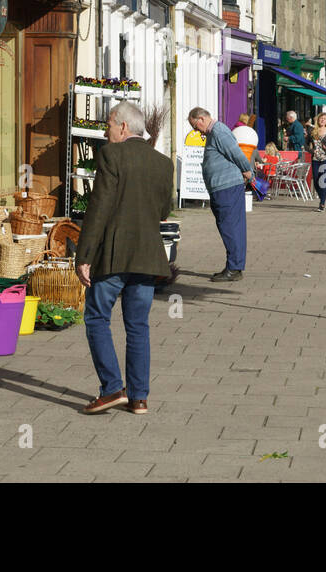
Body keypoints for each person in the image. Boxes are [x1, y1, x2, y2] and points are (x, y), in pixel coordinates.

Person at [73, 101, 173, 415]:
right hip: (148, 256)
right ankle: (139, 396)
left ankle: (112, 388)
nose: (106, 132)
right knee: (138, 325)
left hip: (114, 256)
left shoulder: (111, 155)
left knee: (97, 317)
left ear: (123, 127)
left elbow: (99, 207)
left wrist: (83, 255)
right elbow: (164, 211)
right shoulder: (163, 163)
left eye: (108, 126)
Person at [189, 107, 254, 281]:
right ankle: (235, 266)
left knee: (230, 227)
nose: (195, 130)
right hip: (224, 187)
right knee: (231, 227)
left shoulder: (218, 131)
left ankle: (234, 268)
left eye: (195, 126)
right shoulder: (214, 132)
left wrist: (248, 170)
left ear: (201, 119)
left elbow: (235, 152)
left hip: (227, 188)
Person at [306, 112, 326, 212]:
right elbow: (305, 144)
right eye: (321, 118)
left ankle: (322, 203)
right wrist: (312, 151)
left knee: (323, 182)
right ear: (318, 120)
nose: (322, 120)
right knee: (316, 182)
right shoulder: (312, 131)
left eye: (324, 119)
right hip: (315, 159)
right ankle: (322, 197)